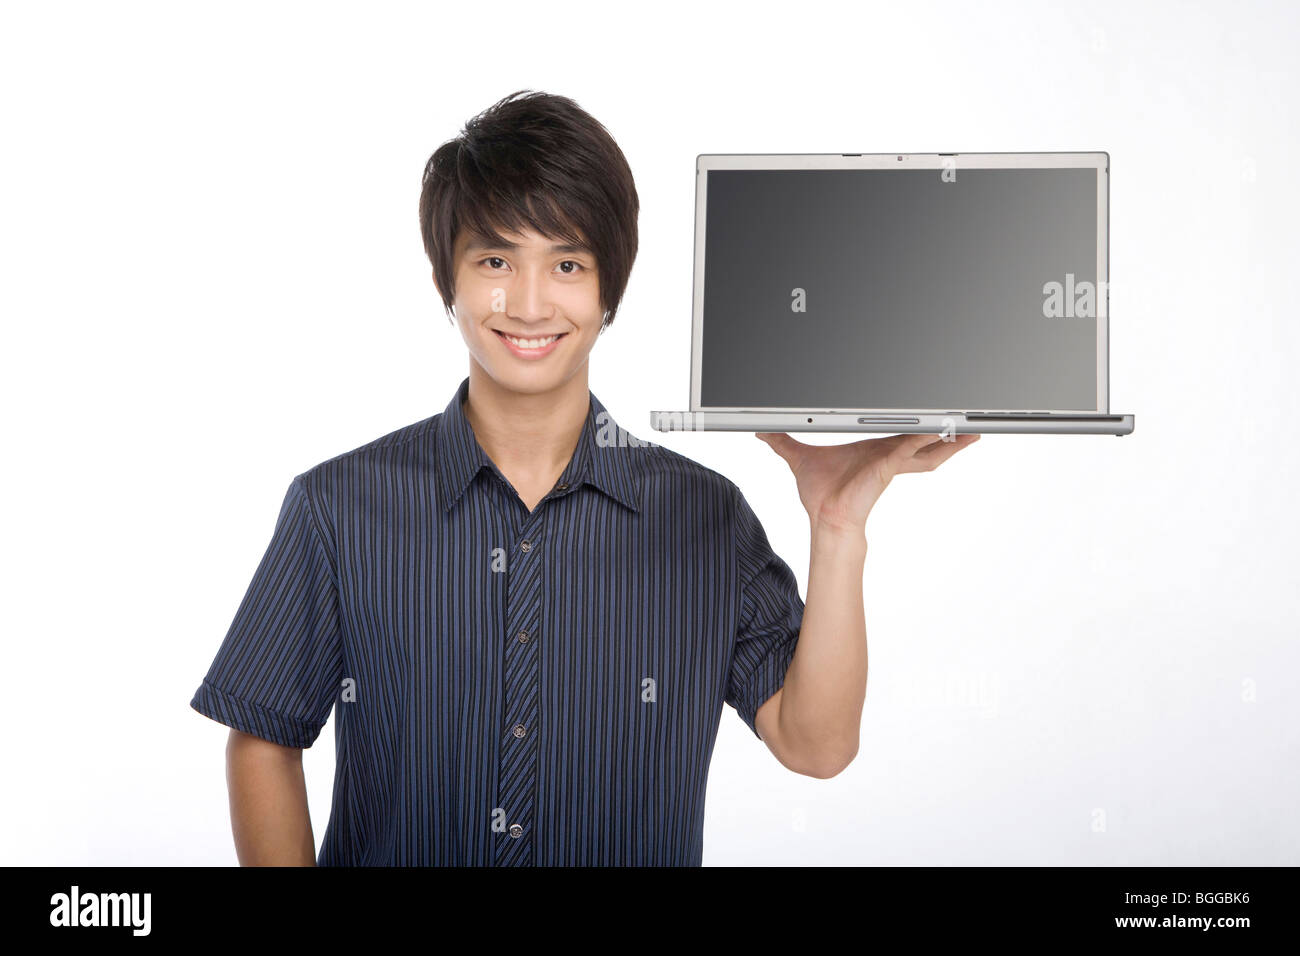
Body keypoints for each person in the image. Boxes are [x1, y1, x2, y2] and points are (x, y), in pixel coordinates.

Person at [190, 89, 980, 866]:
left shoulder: (705, 515)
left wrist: (837, 523)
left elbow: (817, 746)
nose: (530, 304)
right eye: (495, 259)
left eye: (567, 262)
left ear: (610, 290)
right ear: (447, 284)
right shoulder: (339, 507)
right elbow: (262, 737)